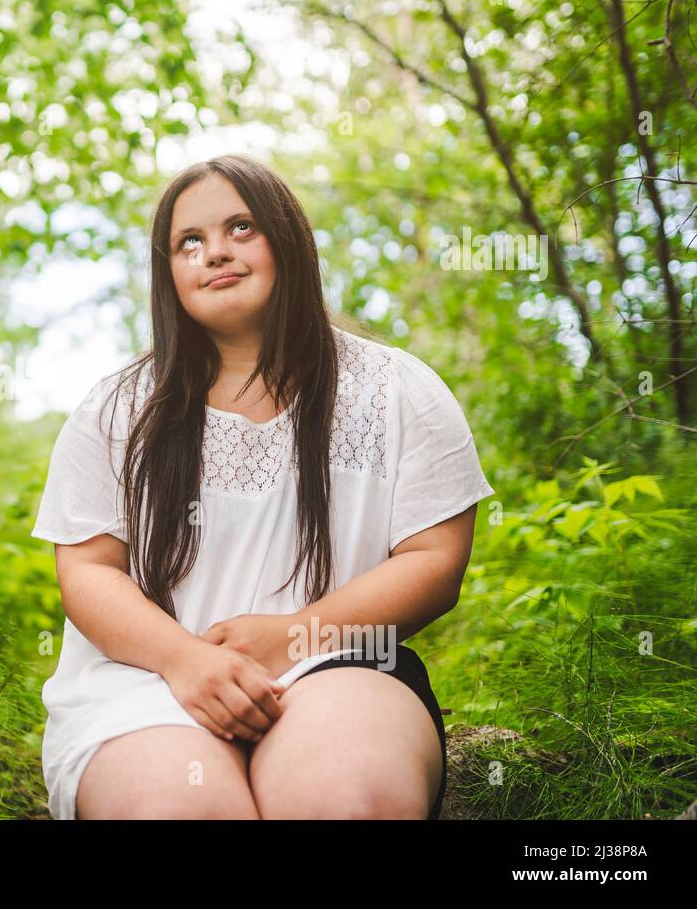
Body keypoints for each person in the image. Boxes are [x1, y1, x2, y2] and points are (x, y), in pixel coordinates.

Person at [29, 153, 495, 820]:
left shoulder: (400, 391)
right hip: (147, 682)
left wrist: (293, 637)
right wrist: (186, 660)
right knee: (177, 810)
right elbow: (88, 571)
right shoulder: (115, 411)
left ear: (288, 239)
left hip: (338, 670)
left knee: (346, 800)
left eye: (240, 227)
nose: (215, 251)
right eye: (190, 241)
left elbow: (434, 562)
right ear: (169, 272)